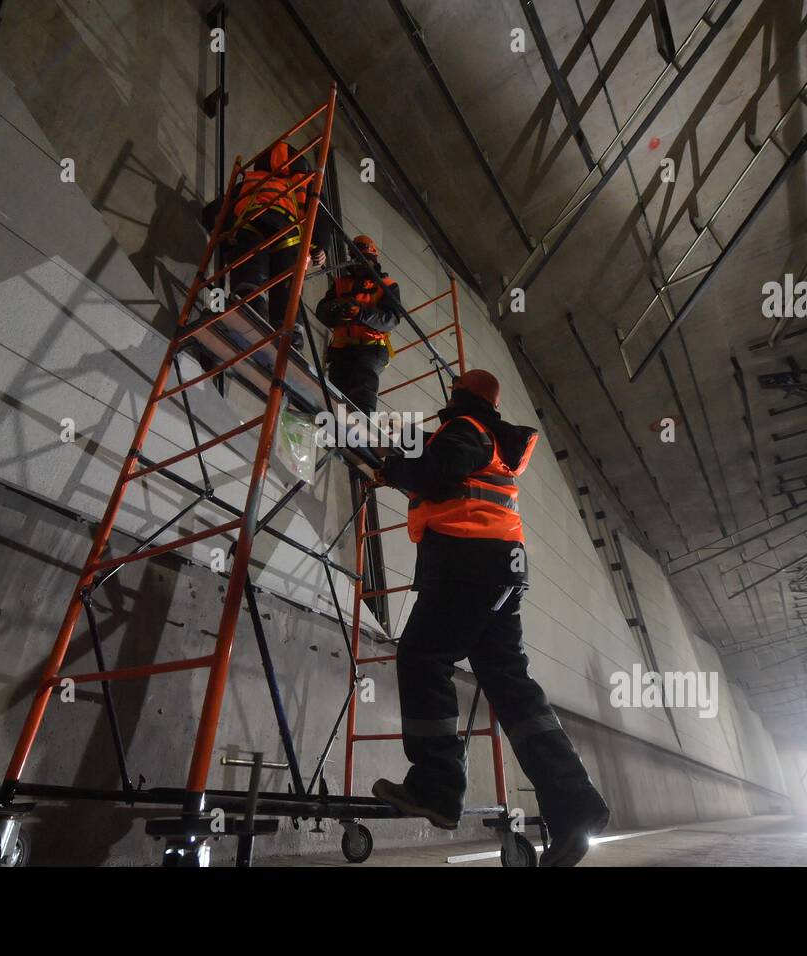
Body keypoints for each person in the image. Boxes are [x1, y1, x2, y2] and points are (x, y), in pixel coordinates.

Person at [371, 368, 611, 867]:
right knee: (510, 685)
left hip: (466, 565)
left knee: (422, 655)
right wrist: (408, 459)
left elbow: (439, 472)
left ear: (458, 397)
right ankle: (574, 805)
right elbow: (445, 469)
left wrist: (395, 470)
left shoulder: (465, 429)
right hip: (501, 571)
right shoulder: (492, 438)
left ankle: (437, 785)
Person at [212, 140, 331, 354]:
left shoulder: (252, 179)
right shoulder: (305, 185)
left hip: (252, 225)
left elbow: (224, 211)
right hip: (288, 234)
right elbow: (320, 218)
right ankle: (291, 335)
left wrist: (225, 237)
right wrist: (318, 248)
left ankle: (251, 308)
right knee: (286, 283)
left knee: (251, 268)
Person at [314, 235, 400, 413]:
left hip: (372, 347)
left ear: (373, 260)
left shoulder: (387, 285)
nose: (359, 264)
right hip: (341, 349)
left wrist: (360, 313)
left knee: (364, 379)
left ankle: (363, 423)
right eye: (356, 259)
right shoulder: (340, 284)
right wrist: (339, 313)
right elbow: (322, 311)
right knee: (336, 393)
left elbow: (390, 319)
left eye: (363, 259)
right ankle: (335, 431)